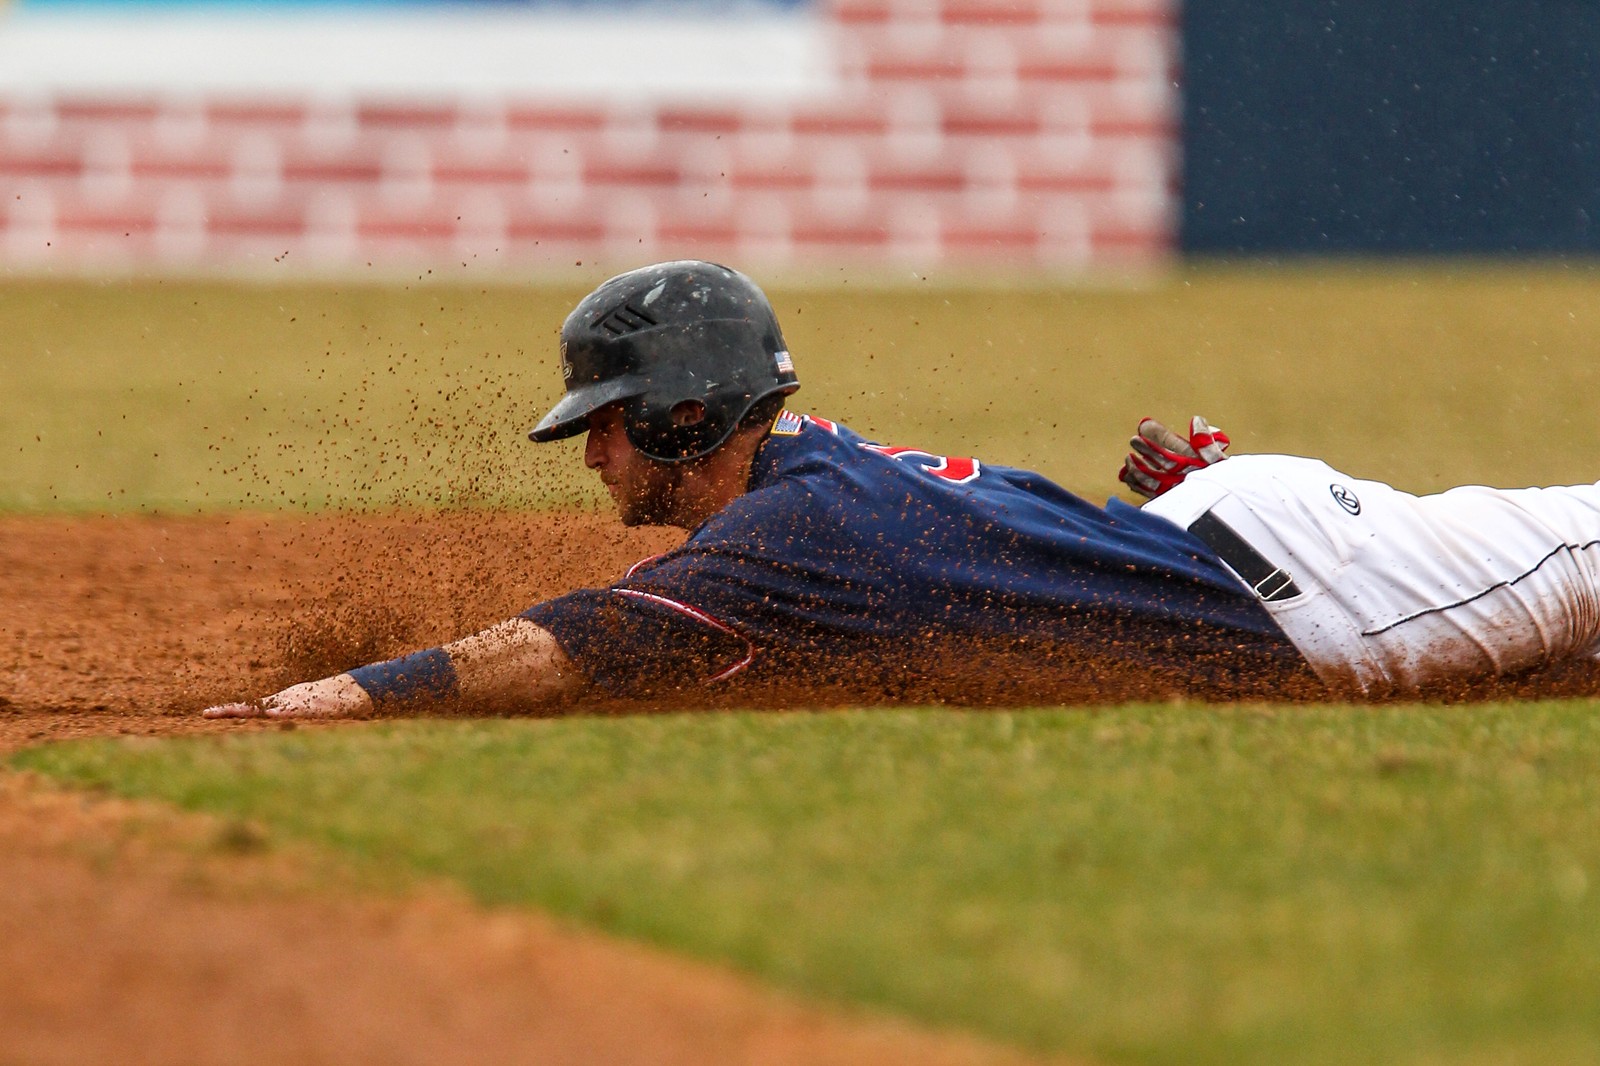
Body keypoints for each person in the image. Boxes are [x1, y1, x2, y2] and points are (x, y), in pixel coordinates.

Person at [205, 260, 1600, 720]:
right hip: (1222, 537)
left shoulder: (796, 532)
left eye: (614, 423)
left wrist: (344, 694)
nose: (594, 453)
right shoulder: (819, 477)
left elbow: (582, 639)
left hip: (1319, 596)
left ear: (690, 412)